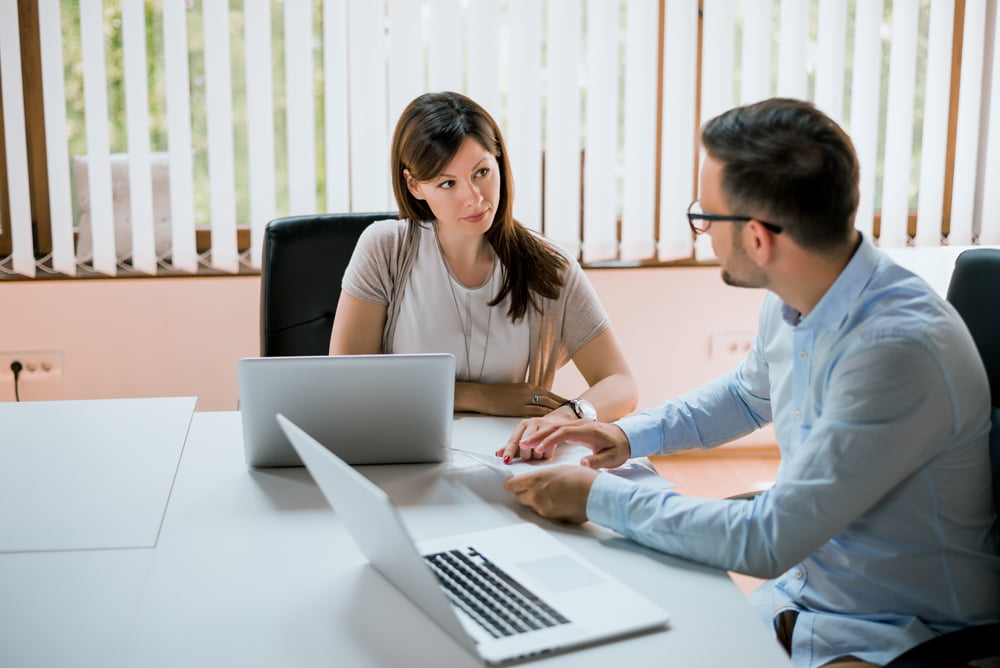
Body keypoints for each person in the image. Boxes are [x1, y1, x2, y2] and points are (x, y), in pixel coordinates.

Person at [502, 98, 1000, 667]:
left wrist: (596, 497)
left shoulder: (898, 350)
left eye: (705, 218)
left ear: (759, 239)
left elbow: (767, 538)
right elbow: (746, 395)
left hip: (908, 634)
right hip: (806, 597)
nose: (703, 233)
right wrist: (626, 434)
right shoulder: (796, 296)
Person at [331, 91, 637, 430]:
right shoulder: (385, 249)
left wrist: (568, 415)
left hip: (504, 457)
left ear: (499, 162)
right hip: (403, 449)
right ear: (415, 185)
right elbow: (348, 381)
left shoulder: (548, 266)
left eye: (481, 172)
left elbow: (621, 384)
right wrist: (478, 396)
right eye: (448, 183)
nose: (474, 198)